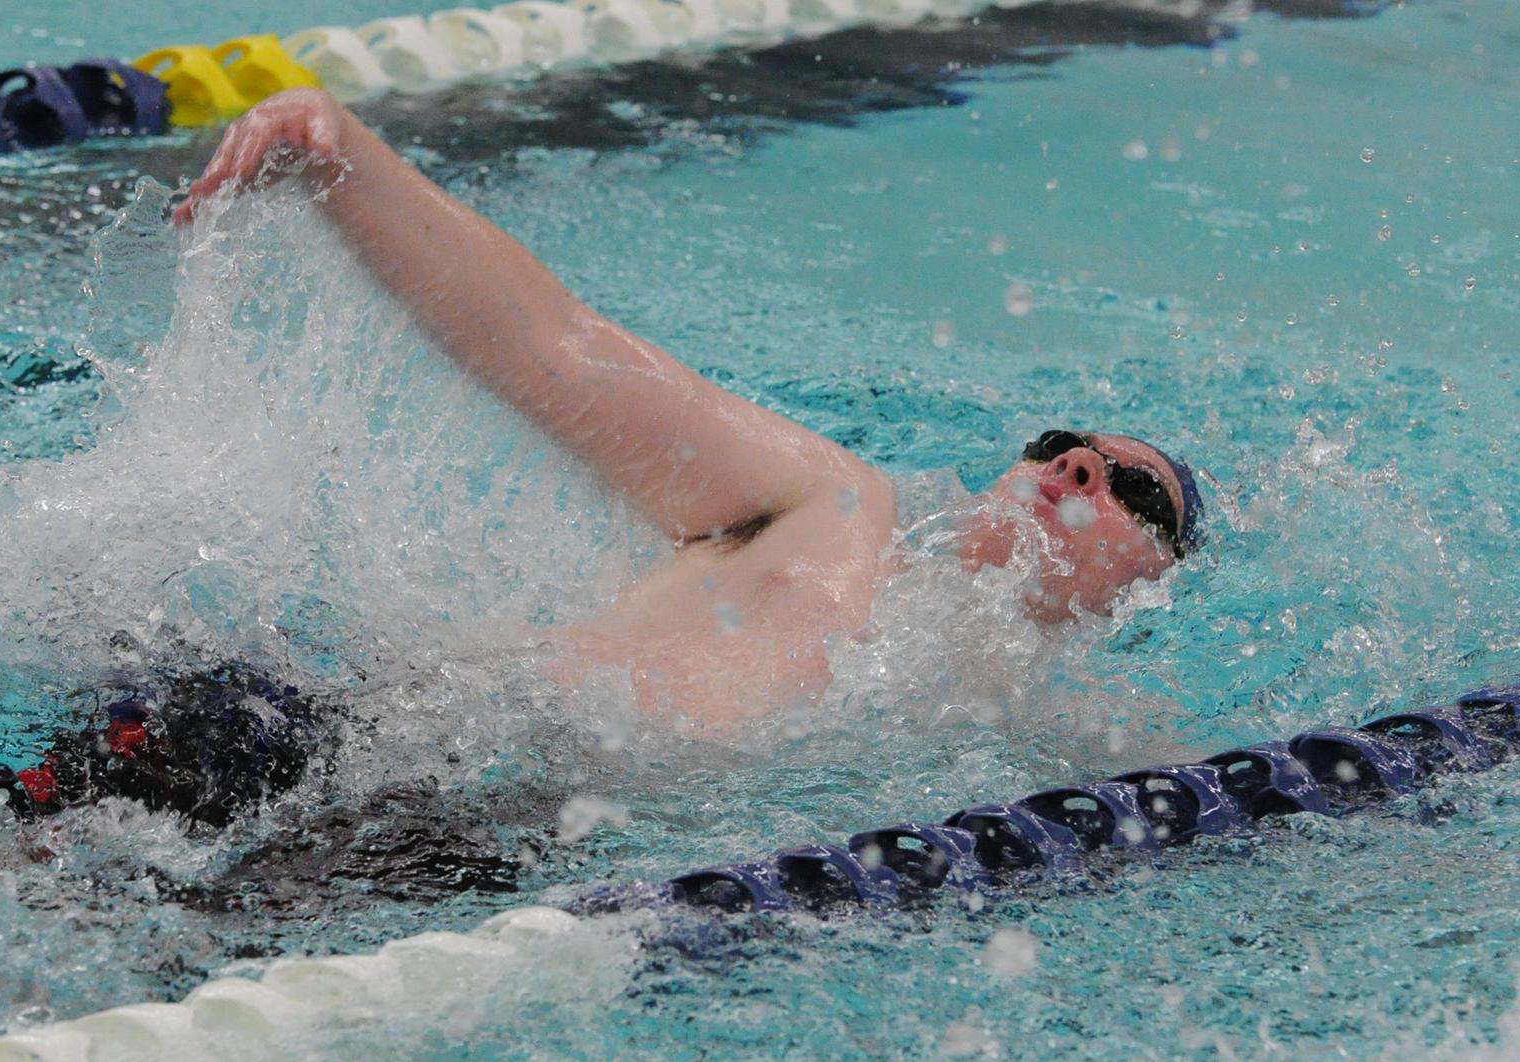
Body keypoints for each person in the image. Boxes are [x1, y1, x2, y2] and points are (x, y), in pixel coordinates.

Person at [170, 87, 1204, 735]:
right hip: (327, 740)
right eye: (1062, 448)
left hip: (470, 851)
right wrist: (346, 158)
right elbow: (562, 355)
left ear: (1149, 587)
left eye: (1129, 490)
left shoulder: (1051, 734)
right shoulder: (832, 510)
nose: (1075, 470)